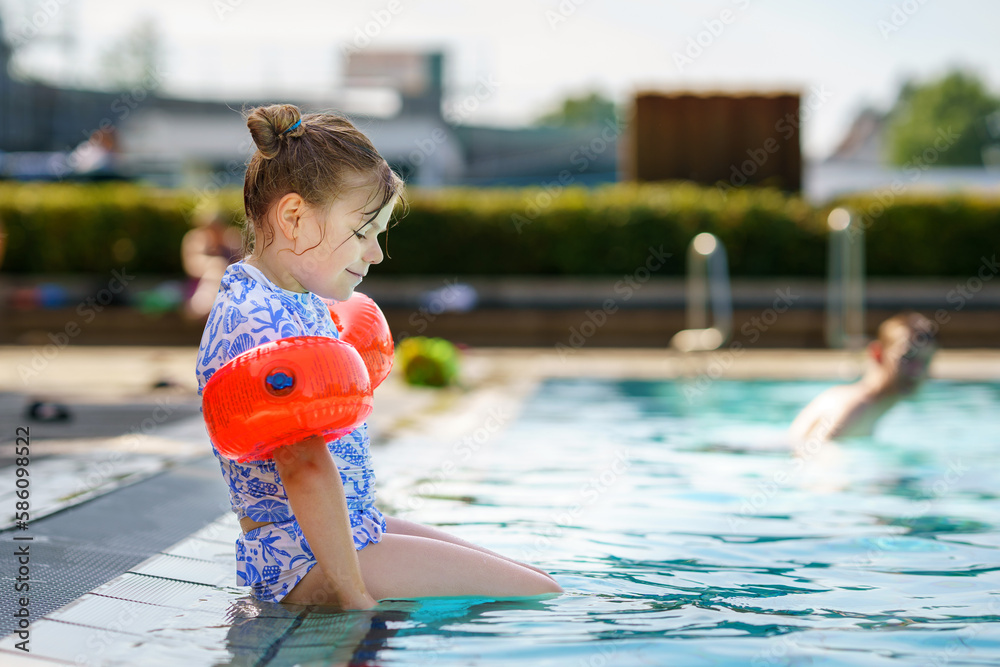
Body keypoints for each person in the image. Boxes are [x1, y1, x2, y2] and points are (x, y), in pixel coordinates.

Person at [195, 103, 561, 610]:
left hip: (347, 533)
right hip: (310, 559)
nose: (376, 254)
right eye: (363, 232)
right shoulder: (258, 322)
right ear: (294, 218)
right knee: (539, 596)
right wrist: (353, 595)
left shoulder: (289, 299)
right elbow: (302, 465)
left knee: (534, 580)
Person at [789, 312, 938, 443]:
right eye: (907, 358)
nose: (916, 372)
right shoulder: (855, 407)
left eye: (925, 361)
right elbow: (812, 455)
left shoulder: (865, 404)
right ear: (877, 354)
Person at [181, 208, 243, 319]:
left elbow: (242, 265)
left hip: (229, 286)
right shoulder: (196, 239)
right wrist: (214, 264)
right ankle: (206, 302)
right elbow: (191, 267)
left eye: (217, 228)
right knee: (216, 266)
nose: (214, 232)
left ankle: (208, 304)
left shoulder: (231, 239)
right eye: (211, 229)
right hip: (201, 286)